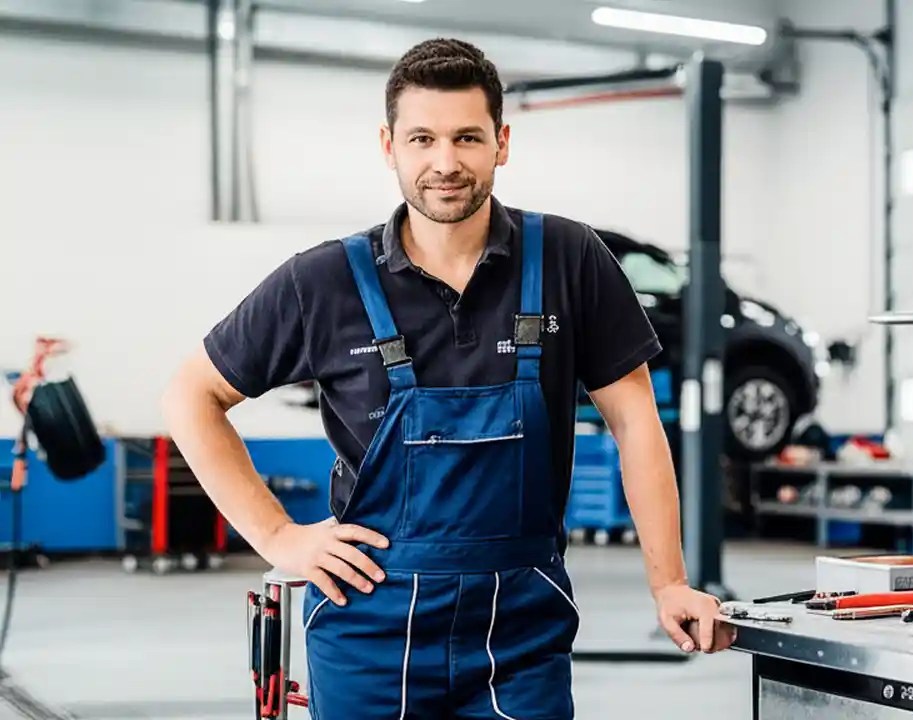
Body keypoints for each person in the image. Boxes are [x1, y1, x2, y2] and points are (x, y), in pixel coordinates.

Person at [161, 38, 734, 718]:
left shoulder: (569, 258)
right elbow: (192, 395)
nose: (445, 162)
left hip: (520, 626)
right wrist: (281, 537)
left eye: (467, 137)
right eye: (422, 138)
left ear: (502, 141)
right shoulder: (324, 282)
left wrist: (669, 582)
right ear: (389, 145)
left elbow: (635, 420)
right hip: (367, 626)